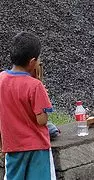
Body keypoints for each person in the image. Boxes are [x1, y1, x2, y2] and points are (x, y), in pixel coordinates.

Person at [0, 32, 56, 179]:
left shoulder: (1, 79)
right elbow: (41, 120)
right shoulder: (36, 85)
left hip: (12, 146)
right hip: (37, 147)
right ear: (32, 62)